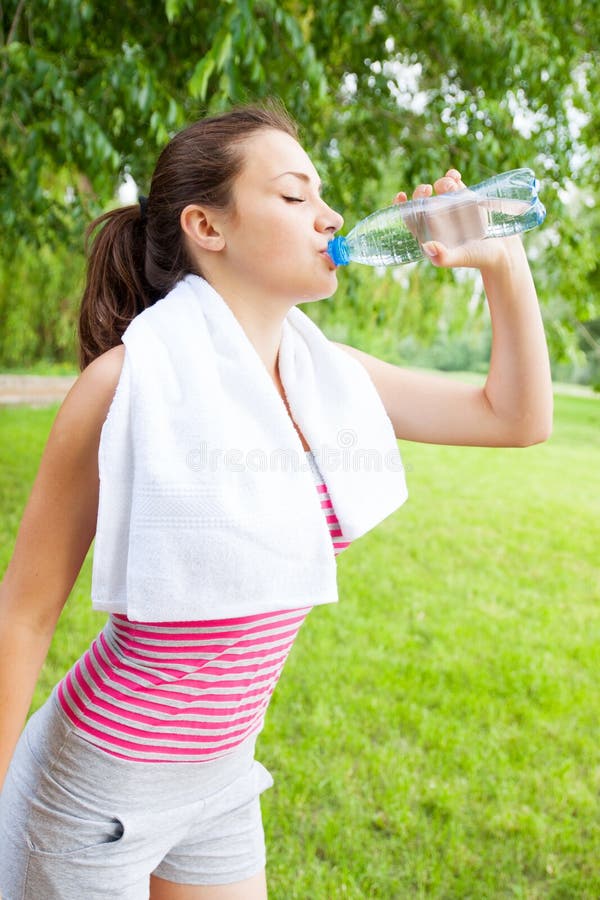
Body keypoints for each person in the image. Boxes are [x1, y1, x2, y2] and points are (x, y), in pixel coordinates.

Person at [0, 101, 552, 900]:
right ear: (207, 227)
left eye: (321, 194)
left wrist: (502, 264)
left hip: (222, 782)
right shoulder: (124, 385)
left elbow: (517, 418)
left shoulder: (332, 380)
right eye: (295, 196)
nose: (329, 214)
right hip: (98, 792)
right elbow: (24, 612)